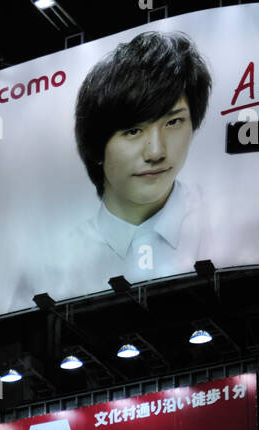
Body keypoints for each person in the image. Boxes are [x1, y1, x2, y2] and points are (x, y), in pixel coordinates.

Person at [67, 31, 213, 287]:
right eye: (133, 131)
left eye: (173, 122)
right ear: (96, 146)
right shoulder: (60, 263)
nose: (156, 152)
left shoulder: (227, 223)